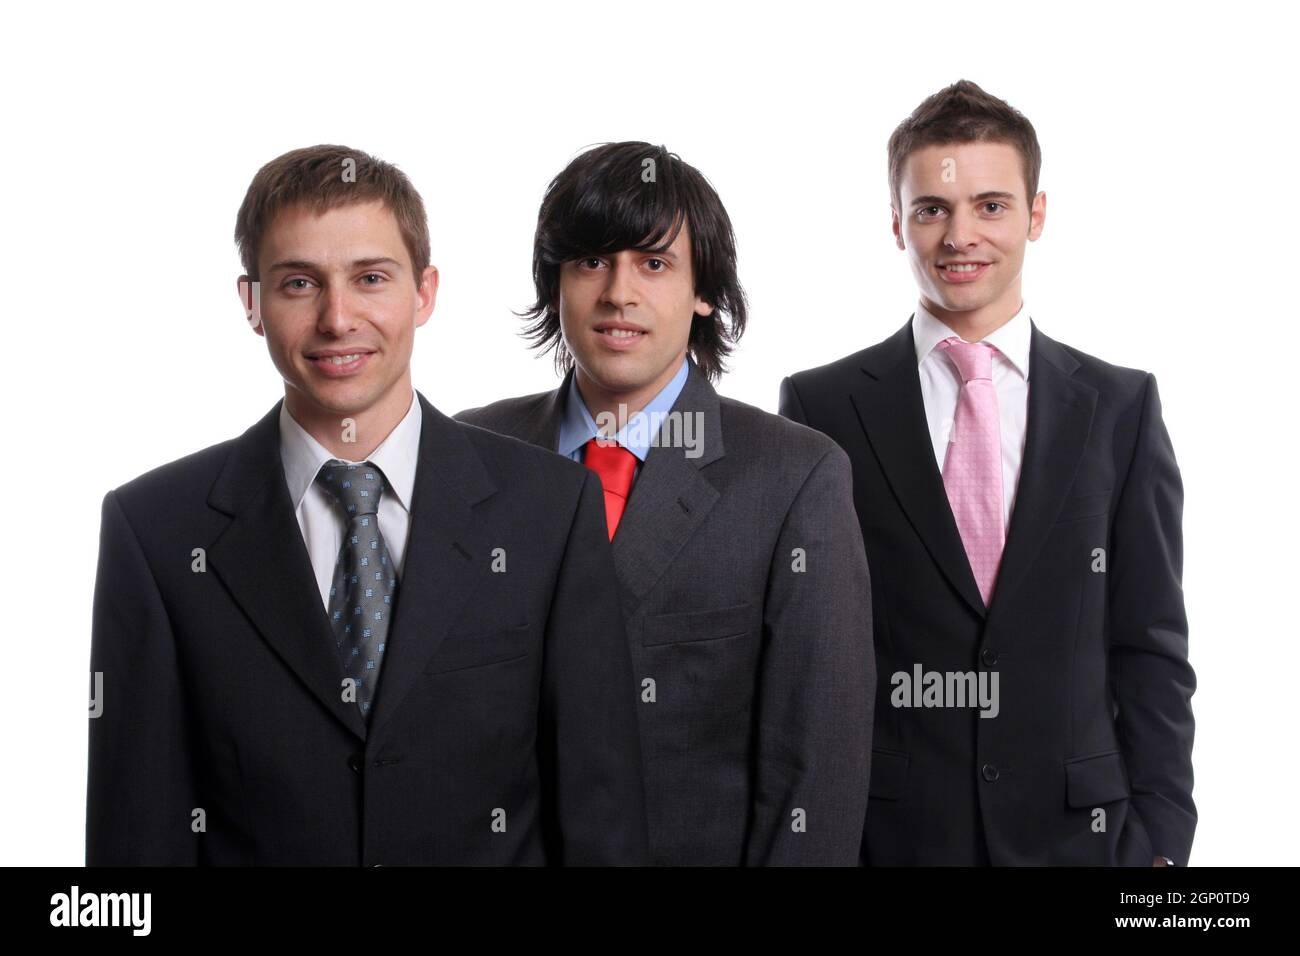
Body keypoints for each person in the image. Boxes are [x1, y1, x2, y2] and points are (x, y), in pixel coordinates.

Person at [86, 144, 648, 865]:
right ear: (252, 304)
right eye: (298, 284)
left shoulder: (549, 511)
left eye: (371, 278)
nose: (337, 318)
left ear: (424, 293)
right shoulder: (156, 531)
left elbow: (603, 820)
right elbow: (133, 844)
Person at [780, 81, 1195, 865]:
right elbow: (808, 655)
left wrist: (1161, 847)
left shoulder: (1119, 407)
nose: (960, 234)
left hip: (1085, 840)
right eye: (933, 209)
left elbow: (1151, 649)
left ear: (1037, 215)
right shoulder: (822, 405)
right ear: (897, 220)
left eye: (992, 205)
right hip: (892, 838)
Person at [458, 142, 874, 865]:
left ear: (704, 291)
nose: (619, 292)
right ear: (555, 282)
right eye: (591, 261)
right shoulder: (469, 452)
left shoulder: (793, 476)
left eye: (655, 264)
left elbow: (816, 769)